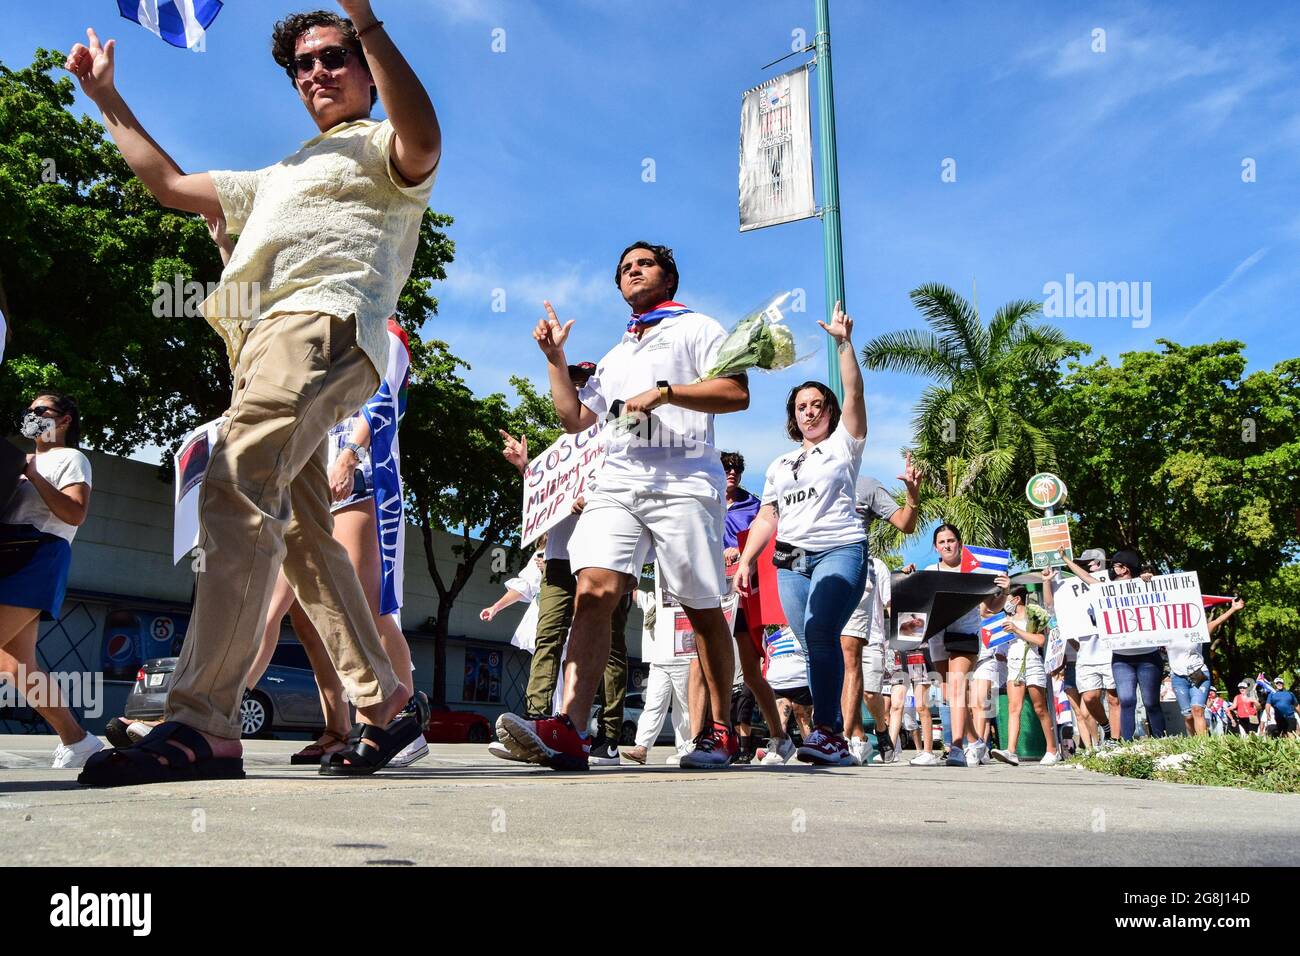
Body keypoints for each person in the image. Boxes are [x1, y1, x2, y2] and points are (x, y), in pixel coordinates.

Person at [68, 3, 441, 785]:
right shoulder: (276, 175)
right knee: (303, 539)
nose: (316, 73)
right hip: (261, 351)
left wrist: (366, 21)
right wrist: (107, 98)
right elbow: (169, 183)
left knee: (233, 493)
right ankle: (385, 704)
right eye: (302, 66)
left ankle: (203, 722)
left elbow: (425, 141)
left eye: (333, 57)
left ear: (367, 67)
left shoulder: (379, 145)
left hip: (321, 329)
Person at [496, 242, 750, 770]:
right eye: (625, 269)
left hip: (684, 474)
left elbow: (735, 393)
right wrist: (555, 361)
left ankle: (720, 730)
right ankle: (568, 729)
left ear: (668, 277)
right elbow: (575, 420)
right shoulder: (616, 354)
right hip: (619, 475)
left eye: (644, 264)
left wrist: (666, 393)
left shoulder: (699, 327)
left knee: (701, 606)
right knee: (594, 589)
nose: (633, 272)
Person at [244, 317, 421, 768]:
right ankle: (329, 727)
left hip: (361, 481)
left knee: (365, 607)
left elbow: (382, 401)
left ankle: (395, 722)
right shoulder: (320, 329)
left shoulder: (386, 332)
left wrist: (348, 455)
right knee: (292, 613)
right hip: (309, 483)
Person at [733, 302, 869, 766]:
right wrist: (749, 558)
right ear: (794, 416)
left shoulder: (844, 445)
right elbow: (767, 517)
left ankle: (830, 732)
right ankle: (825, 734)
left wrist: (843, 344)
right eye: (801, 407)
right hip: (790, 559)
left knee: (820, 629)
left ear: (829, 411)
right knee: (811, 642)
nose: (810, 412)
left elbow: (854, 395)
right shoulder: (780, 464)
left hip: (839, 549)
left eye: (817, 405)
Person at [495, 406, 633, 766]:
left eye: (588, 385)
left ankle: (608, 736)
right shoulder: (560, 452)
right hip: (559, 554)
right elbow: (544, 495)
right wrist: (526, 468)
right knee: (549, 634)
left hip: (605, 552)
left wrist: (595, 498)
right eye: (577, 387)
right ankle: (535, 721)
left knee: (611, 646)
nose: (583, 394)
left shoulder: (619, 439)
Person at [0, 393, 100, 768]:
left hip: (39, 553)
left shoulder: (73, 459)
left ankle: (79, 741)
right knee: (15, 666)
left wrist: (34, 476)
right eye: (28, 411)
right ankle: (78, 741)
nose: (33, 416)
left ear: (65, 420)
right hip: (10, 553)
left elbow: (75, 513)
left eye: (41, 411)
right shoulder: (21, 460)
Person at [914, 524, 1010, 767]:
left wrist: (1004, 592)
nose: (947, 545)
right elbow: (915, 604)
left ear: (960, 543)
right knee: (950, 695)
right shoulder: (929, 571)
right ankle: (976, 741)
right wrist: (909, 578)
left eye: (951, 540)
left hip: (965, 634)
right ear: (936, 547)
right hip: (937, 637)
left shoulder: (975, 571)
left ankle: (956, 748)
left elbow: (991, 608)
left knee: (957, 689)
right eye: (942, 542)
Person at [622, 587, 694, 765]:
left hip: (684, 660)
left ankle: (686, 748)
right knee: (653, 706)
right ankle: (642, 747)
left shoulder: (689, 594)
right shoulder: (652, 598)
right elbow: (632, 590)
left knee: (684, 709)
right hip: (658, 662)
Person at [1057, 548, 1120, 747]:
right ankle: (1106, 727)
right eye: (1082, 564)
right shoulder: (1072, 589)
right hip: (1087, 653)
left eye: (1089, 563)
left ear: (1099, 564)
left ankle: (1115, 741)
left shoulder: (1111, 584)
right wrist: (1065, 559)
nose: (1086, 568)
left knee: (1113, 698)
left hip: (1110, 650)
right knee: (1090, 697)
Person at [990, 586, 1059, 765]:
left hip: (1032, 663)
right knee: (1014, 708)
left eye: (1008, 599)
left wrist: (1016, 630)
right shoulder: (1005, 620)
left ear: (1017, 600)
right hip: (1013, 665)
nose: (1005, 603)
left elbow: (1040, 640)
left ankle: (1052, 749)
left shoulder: (1032, 615)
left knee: (1039, 708)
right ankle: (1011, 750)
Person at [842, 555, 893, 764]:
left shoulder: (876, 565)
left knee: (870, 694)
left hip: (873, 639)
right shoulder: (837, 562)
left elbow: (889, 602)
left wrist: (899, 639)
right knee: (846, 692)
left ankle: (881, 729)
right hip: (844, 637)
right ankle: (853, 739)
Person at [1169, 598, 1242, 737]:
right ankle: (1192, 742)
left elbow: (1217, 621)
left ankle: (1204, 746)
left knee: (1197, 709)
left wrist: (1233, 608)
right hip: (1178, 677)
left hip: (1198, 673)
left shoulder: (1198, 631)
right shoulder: (1165, 634)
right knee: (1188, 715)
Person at [755, 625, 815, 764]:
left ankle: (812, 748)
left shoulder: (802, 629)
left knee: (804, 721)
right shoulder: (773, 637)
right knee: (779, 720)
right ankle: (778, 748)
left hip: (802, 683)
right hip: (778, 685)